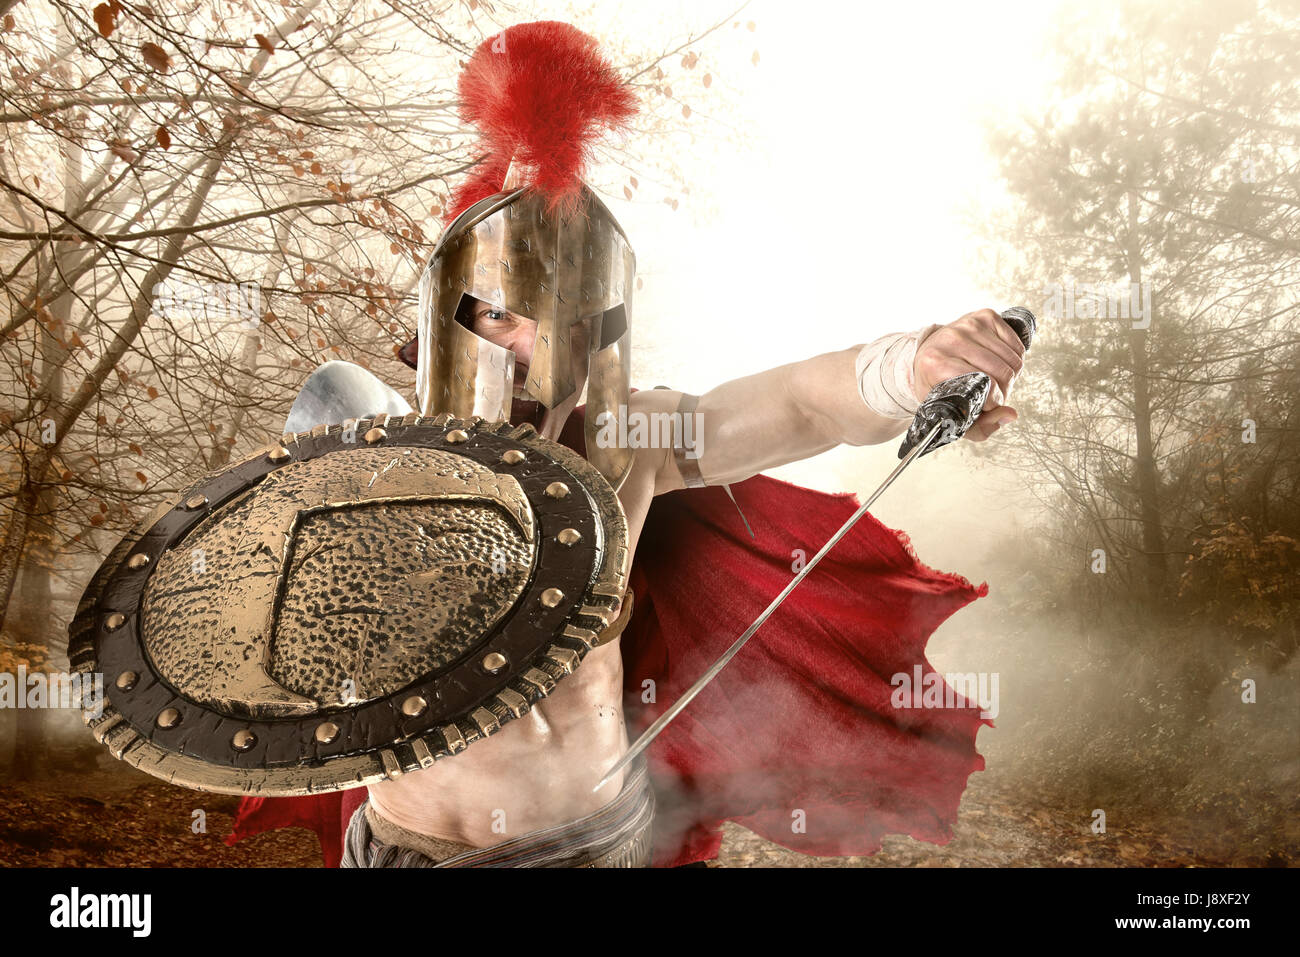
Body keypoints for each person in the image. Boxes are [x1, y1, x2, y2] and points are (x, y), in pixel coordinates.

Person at [230, 20, 1020, 868]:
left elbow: (795, 406)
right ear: (447, 313)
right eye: (500, 314)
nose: (534, 348)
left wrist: (907, 368)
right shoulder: (366, 445)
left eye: (569, 321)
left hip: (579, 844)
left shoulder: (627, 438)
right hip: (393, 845)